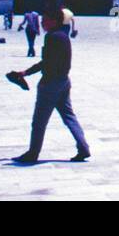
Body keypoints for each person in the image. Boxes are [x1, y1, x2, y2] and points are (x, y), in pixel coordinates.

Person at [8, 11, 91, 164]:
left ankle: (33, 153)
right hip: (64, 81)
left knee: (39, 121)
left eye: (45, 20)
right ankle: (83, 147)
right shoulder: (63, 36)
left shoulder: (52, 37)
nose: (42, 23)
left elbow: (46, 62)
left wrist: (25, 73)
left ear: (55, 21)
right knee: (69, 117)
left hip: (50, 83)